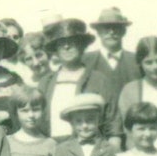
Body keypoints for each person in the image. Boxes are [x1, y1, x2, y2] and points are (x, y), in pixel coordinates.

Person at [39, 17, 122, 146]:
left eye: (72, 41)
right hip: (53, 149)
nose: (66, 46)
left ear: (82, 45)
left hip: (90, 149)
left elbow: (113, 125)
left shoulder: (99, 80)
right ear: (56, 48)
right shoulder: (45, 83)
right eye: (61, 43)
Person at [83, 7, 141, 94]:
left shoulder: (136, 61)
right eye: (106, 28)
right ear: (98, 32)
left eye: (116, 27)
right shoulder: (86, 61)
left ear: (123, 31)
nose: (111, 32)